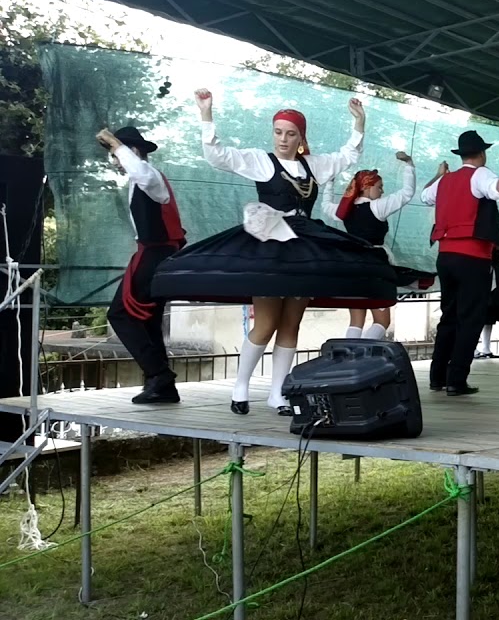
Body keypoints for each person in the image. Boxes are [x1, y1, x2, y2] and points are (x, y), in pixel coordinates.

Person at [152, 90, 397, 416]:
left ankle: (278, 392)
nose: (283, 138)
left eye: (290, 133)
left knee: (291, 324)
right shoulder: (260, 160)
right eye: (278, 132)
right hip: (268, 249)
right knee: (266, 323)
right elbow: (218, 156)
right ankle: (240, 388)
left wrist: (359, 123)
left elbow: (347, 157)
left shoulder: (312, 166)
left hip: (303, 249)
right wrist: (206, 116)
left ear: (300, 137)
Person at [421, 130, 499, 395]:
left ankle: (437, 376)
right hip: (473, 255)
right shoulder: (480, 174)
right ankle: (456, 379)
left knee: (449, 315)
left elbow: (424, 196)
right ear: (482, 153)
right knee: (471, 317)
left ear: (460, 153)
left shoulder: (445, 181)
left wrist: (440, 175)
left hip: (445, 255)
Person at [99, 127, 186, 404]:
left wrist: (115, 143)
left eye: (116, 154)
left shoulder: (150, 177)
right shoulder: (140, 181)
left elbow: (140, 171)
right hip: (153, 254)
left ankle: (159, 375)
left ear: (133, 151)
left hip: (156, 254)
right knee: (147, 320)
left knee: (121, 314)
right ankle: (162, 386)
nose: (115, 160)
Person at [320, 151, 429, 340]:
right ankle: (361, 354)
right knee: (382, 321)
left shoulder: (343, 212)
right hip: (375, 269)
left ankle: (348, 356)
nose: (382, 191)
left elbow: (325, 205)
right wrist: (409, 165)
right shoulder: (377, 207)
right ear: (367, 187)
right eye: (379, 187)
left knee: (356, 321)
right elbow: (406, 193)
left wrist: (329, 182)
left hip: (352, 266)